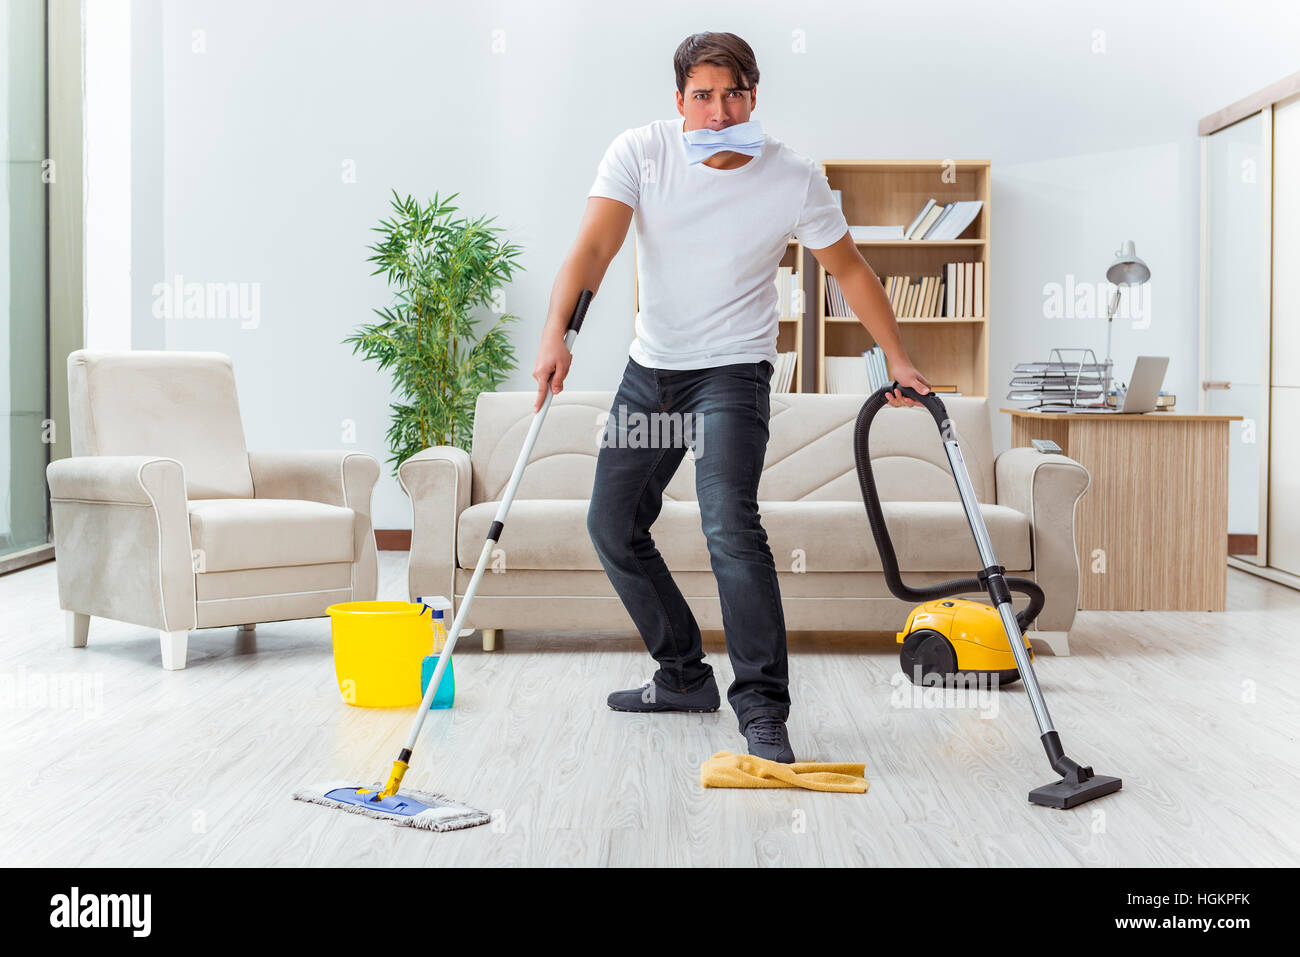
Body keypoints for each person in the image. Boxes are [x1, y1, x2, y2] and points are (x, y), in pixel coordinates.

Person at [530, 32, 931, 762]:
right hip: (653, 371)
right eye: (702, 96)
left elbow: (849, 269)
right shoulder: (641, 153)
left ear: (754, 95)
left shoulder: (792, 176)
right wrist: (556, 333)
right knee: (612, 522)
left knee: (728, 524)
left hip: (732, 373)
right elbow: (593, 249)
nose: (718, 112)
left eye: (733, 94)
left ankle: (763, 710)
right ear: (678, 100)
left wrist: (897, 359)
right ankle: (682, 673)